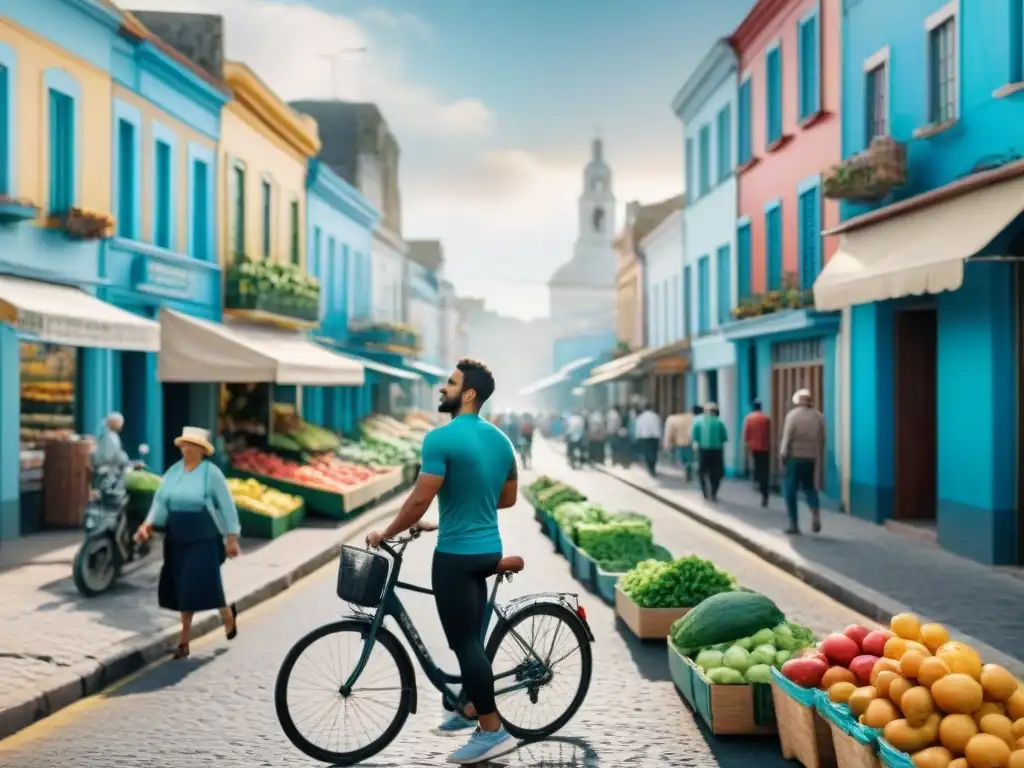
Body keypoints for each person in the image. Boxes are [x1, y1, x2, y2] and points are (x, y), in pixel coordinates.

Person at [365, 359, 518, 765]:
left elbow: (419, 498)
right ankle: (470, 703)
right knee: (468, 639)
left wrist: (387, 533)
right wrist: (453, 512)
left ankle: (492, 731)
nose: (441, 389)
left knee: (464, 642)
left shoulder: (440, 439)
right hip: (487, 549)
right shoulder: (502, 440)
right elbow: (506, 499)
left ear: (468, 394)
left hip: (455, 555)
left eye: (449, 383)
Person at [134, 427, 241, 660]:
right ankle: (199, 631)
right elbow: (160, 501)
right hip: (177, 537)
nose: (187, 449)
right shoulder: (174, 472)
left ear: (202, 450)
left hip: (204, 537)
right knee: (184, 589)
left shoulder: (210, 473)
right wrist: (148, 525)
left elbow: (227, 505)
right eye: (185, 445)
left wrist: (232, 538)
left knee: (199, 586)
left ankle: (208, 625)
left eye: (192, 445)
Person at [780, 388, 826, 535]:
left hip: (794, 457)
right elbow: (822, 439)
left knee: (790, 491)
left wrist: (783, 455)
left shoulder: (792, 416)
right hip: (811, 458)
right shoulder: (818, 416)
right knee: (810, 488)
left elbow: (787, 437)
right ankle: (815, 513)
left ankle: (794, 524)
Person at [692, 403, 728, 501]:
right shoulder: (719, 422)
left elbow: (695, 436)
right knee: (716, 472)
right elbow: (724, 437)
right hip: (717, 450)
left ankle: (705, 492)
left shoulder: (699, 421)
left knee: (701, 472)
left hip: (703, 449)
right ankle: (714, 492)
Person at [742, 400, 771, 507]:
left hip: (754, 447)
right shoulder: (766, 418)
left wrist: (746, 446)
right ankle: (765, 491)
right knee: (764, 469)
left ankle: (758, 483)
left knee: (757, 467)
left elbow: (747, 434)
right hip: (765, 447)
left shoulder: (749, 418)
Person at [664, 406, 697, 482]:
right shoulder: (692, 418)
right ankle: (688, 468)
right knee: (690, 458)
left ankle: (686, 468)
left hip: (679, 442)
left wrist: (668, 444)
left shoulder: (673, 419)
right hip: (690, 441)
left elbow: (670, 433)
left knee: (682, 459)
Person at [634, 403, 662, 477]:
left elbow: (638, 427)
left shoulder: (641, 417)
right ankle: (653, 467)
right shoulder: (655, 416)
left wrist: (637, 437)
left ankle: (650, 468)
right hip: (654, 437)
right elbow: (659, 426)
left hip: (644, 437)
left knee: (647, 453)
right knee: (654, 453)